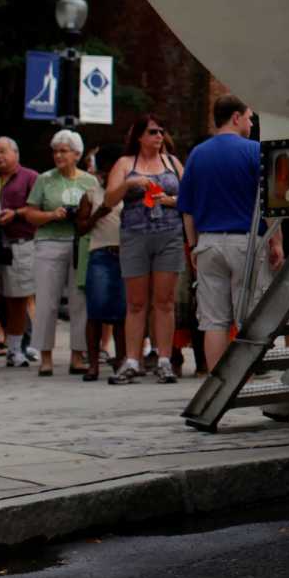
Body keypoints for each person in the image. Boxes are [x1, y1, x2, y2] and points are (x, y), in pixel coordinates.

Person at [179, 96, 284, 373]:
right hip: (246, 243)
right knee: (249, 317)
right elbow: (269, 203)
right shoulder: (255, 152)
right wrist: (277, 242)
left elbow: (187, 211)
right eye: (249, 117)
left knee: (213, 321)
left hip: (208, 243)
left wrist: (192, 246)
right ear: (235, 117)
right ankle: (244, 377)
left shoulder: (197, 154)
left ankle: (217, 379)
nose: (251, 124)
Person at [106, 114, 184, 384]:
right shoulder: (126, 164)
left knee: (164, 301)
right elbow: (108, 199)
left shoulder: (172, 162)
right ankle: (131, 360)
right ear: (139, 136)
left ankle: (164, 360)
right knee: (136, 303)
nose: (158, 136)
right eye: (152, 132)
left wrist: (169, 199)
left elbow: (189, 196)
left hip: (169, 235)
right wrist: (128, 184)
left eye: (161, 131)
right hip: (135, 235)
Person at [24, 129, 99, 377]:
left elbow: (100, 210)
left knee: (80, 300)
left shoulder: (90, 181)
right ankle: (45, 356)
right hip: (50, 241)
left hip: (80, 243)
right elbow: (30, 213)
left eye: (63, 151)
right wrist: (51, 215)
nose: (58, 155)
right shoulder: (44, 179)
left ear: (77, 154)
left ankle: (77, 355)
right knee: (47, 300)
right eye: (55, 151)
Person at [0, 137, 39, 368]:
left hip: (19, 242)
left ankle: (16, 349)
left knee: (17, 298)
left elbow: (38, 208)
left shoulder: (30, 177)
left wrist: (16, 213)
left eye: (3, 152)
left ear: (16, 153)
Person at [79, 144, 125, 381]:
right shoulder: (91, 194)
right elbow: (80, 227)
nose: (107, 176)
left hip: (124, 254)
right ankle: (93, 363)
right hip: (100, 253)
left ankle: (121, 360)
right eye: (103, 171)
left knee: (121, 313)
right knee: (95, 310)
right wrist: (99, 213)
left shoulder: (127, 192)